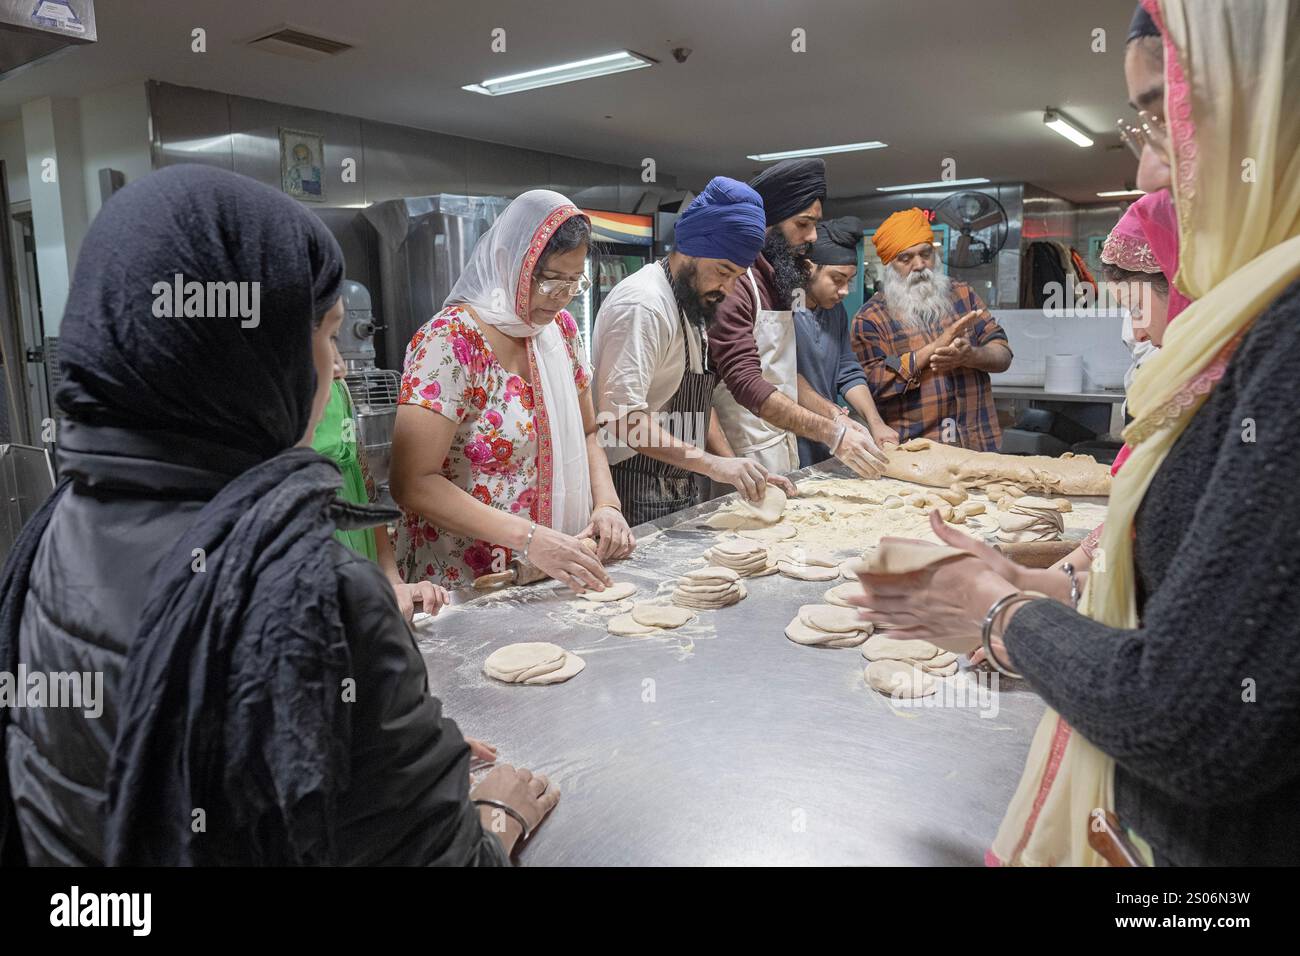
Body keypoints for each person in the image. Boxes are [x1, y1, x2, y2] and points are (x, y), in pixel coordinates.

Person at [0, 165, 558, 866]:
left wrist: (390, 757)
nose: (339, 368)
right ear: (251, 354)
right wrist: (492, 814)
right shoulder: (307, 595)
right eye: (327, 335)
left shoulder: (53, 531)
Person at [855, 0, 1300, 867]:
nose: (1143, 166)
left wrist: (1000, 610)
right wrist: (1042, 584)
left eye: (1162, 118)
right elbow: (1199, 604)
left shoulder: (1284, 335)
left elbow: (1199, 718)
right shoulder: (1249, 326)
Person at [390, 190, 634, 593]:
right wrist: (531, 538)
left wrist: (607, 504)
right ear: (509, 263)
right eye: (551, 279)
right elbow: (412, 481)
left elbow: (589, 432)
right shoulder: (451, 341)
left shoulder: (560, 333)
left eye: (574, 281)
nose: (561, 297)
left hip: (551, 568)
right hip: (466, 581)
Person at [592, 176, 796, 525]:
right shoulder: (644, 304)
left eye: (738, 277)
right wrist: (713, 465)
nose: (729, 288)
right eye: (723, 271)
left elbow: (696, 404)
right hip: (631, 489)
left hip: (679, 482)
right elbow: (623, 421)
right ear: (690, 249)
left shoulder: (690, 302)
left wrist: (736, 472)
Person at [710, 158, 889, 480]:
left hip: (779, 443)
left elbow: (783, 374)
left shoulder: (779, 282)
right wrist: (831, 432)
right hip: (741, 453)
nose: (811, 237)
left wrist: (835, 416)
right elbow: (747, 383)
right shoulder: (736, 285)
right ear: (767, 223)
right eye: (803, 224)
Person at [851, 207, 1012, 450]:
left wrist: (971, 356)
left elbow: (1003, 355)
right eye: (905, 258)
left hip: (980, 446)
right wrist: (933, 350)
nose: (919, 265)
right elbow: (874, 386)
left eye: (925, 253)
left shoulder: (963, 296)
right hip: (916, 456)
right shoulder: (870, 319)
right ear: (889, 265)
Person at [312, 340, 449, 621]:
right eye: (320, 334)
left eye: (336, 337)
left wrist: (391, 581)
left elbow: (365, 490)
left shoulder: (337, 387)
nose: (340, 365)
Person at [793, 216, 898, 466]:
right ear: (808, 269)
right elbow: (783, 378)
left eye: (849, 281)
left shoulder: (834, 311)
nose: (845, 291)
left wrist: (875, 423)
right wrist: (836, 416)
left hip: (830, 436)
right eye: (837, 279)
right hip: (790, 436)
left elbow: (847, 370)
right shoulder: (781, 311)